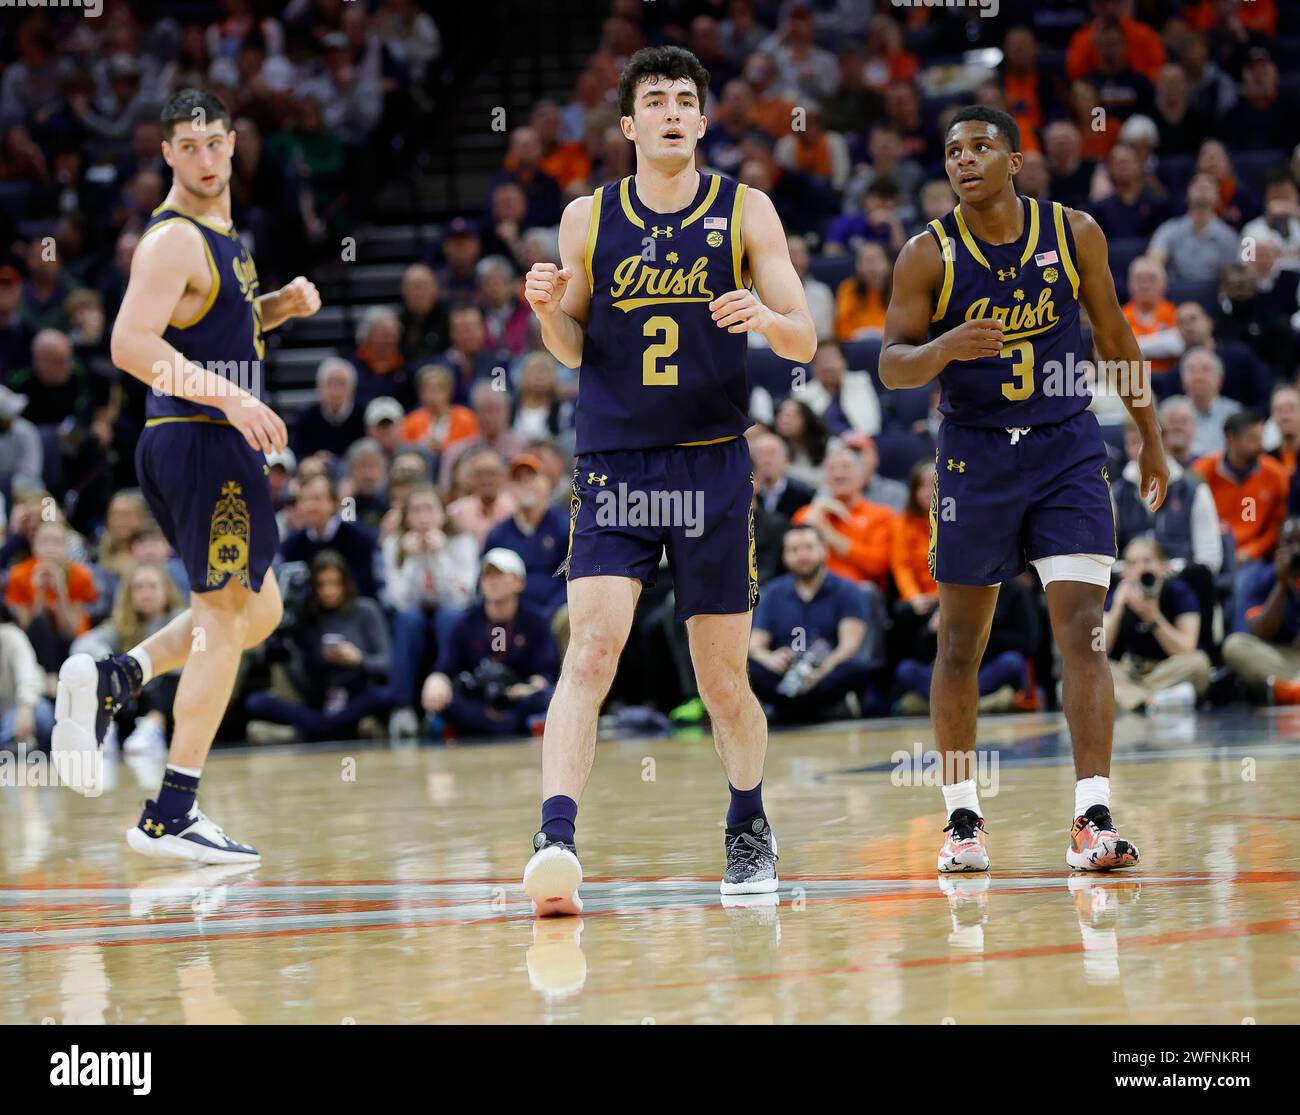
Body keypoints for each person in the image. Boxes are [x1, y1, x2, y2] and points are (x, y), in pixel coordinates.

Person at [519, 45, 815, 913]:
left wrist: (766, 315)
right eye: (657, 100)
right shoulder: (586, 218)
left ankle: (748, 823)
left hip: (712, 463)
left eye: (687, 98)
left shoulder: (746, 210)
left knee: (721, 680)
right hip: (615, 464)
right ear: (629, 124)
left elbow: (803, 337)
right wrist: (545, 311)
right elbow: (572, 348)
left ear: (704, 117)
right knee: (592, 650)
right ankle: (556, 835)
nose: (674, 112)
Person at [880, 105, 1168, 874]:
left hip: (1067, 447)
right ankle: (962, 818)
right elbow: (892, 364)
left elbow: (1114, 336)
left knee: (1083, 629)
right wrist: (943, 345)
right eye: (951, 152)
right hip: (974, 456)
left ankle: (1092, 815)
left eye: (981, 147)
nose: (964, 160)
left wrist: (1150, 433)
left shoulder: (1075, 233)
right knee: (960, 644)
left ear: (1015, 159)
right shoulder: (925, 255)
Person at [54, 90, 321, 857]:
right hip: (202, 438)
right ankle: (172, 810)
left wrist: (275, 309)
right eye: (188, 145)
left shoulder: (224, 235)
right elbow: (131, 344)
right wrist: (235, 398)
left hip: (208, 440)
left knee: (255, 612)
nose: (205, 158)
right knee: (223, 621)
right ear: (166, 153)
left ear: (233, 144)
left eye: (215, 142)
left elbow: (206, 327)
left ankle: (118, 674)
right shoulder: (171, 240)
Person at [244, 552, 393, 742]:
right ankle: (331, 728)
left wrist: (358, 658)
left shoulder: (366, 610)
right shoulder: (308, 617)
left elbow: (386, 665)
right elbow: (304, 681)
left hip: (356, 696)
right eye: (321, 585)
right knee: (256, 702)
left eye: (334, 584)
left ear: (345, 583)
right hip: (321, 698)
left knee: (384, 696)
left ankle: (308, 732)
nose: (328, 591)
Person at [420, 548, 558, 740]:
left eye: (499, 575)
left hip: (517, 697)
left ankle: (502, 726)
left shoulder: (536, 622)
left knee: (548, 697)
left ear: (519, 582)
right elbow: (447, 666)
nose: (492, 581)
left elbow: (545, 674)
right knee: (445, 700)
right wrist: (436, 679)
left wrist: (526, 689)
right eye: (487, 575)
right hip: (478, 699)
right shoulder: (465, 622)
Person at [748, 524, 871, 724]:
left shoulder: (848, 590)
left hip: (826, 671)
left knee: (855, 668)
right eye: (794, 550)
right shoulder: (772, 593)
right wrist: (771, 658)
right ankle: (792, 708)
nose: (802, 555)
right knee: (748, 668)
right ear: (784, 556)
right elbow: (755, 645)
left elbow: (849, 646)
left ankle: (801, 709)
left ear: (824, 551)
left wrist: (820, 672)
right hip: (785, 675)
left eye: (808, 547)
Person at [70, 561, 185, 755]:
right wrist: (118, 667)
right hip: (131, 699)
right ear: (129, 595)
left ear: (166, 591)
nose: (145, 593)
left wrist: (144, 672)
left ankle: (154, 727)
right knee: (104, 671)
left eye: (152, 586)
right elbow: (81, 646)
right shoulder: (120, 627)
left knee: (176, 678)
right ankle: (106, 728)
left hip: (170, 701)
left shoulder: (180, 619)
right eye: (138, 587)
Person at [1103, 537, 1210, 713]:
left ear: (1163, 566)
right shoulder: (1117, 595)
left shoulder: (1178, 591)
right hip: (1132, 669)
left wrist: (1153, 618)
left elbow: (1186, 648)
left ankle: (1133, 698)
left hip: (1167, 669)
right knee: (1090, 670)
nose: (1141, 568)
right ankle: (1154, 699)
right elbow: (1100, 649)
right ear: (1125, 571)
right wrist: (1116, 609)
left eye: (1148, 561)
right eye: (1133, 563)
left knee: (1199, 664)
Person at [1222, 516, 1300, 704]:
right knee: (1235, 646)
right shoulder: (1261, 579)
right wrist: (1282, 583)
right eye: (1289, 542)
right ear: (1277, 546)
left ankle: (1290, 691)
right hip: (1282, 658)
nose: (1297, 549)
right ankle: (1293, 688)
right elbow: (1260, 633)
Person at [0, 603, 53, 751]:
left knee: (42, 714)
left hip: (23, 707)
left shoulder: (12, 636)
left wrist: (25, 706)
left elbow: (27, 674)